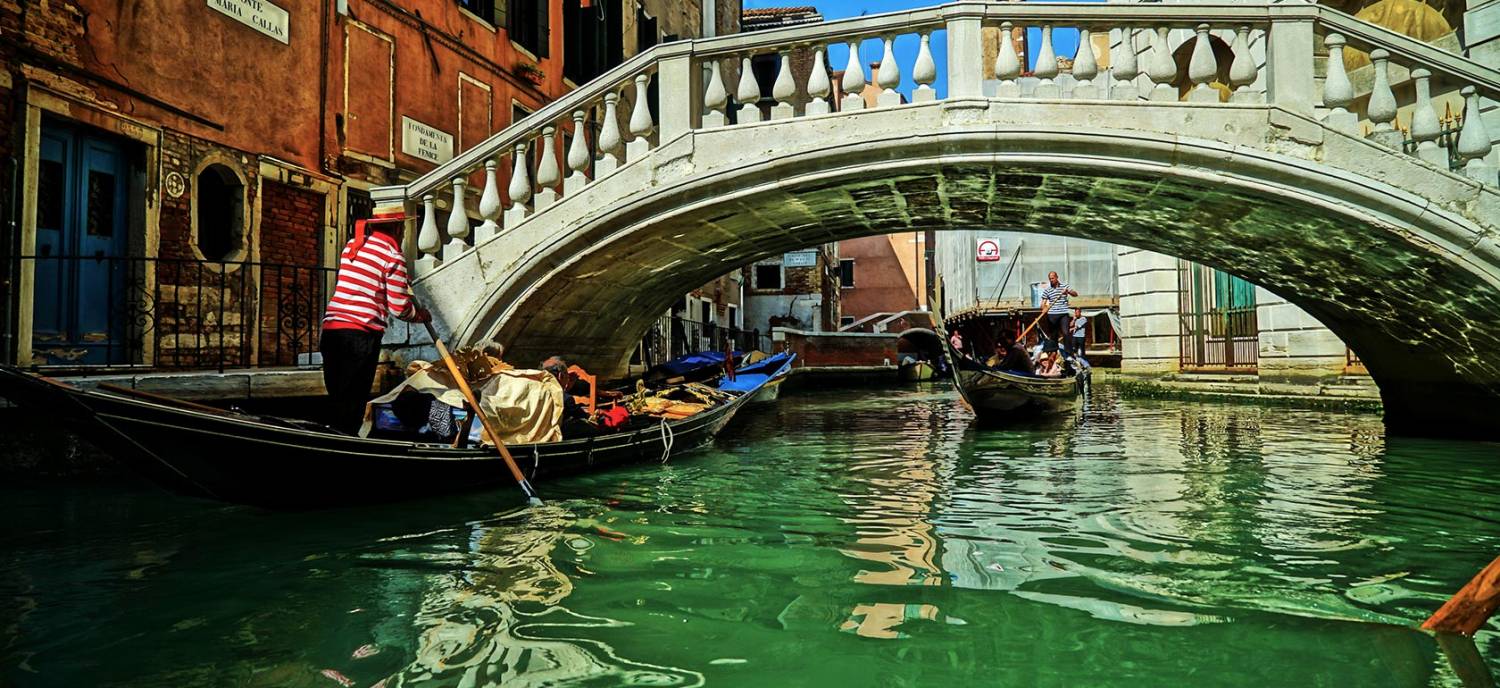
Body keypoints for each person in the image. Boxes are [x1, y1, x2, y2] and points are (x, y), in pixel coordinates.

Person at [320, 205, 430, 433]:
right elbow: (400, 308)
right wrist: (420, 316)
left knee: (338, 399)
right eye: (403, 228)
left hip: (332, 331)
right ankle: (346, 444)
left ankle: (337, 442)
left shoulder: (353, 246)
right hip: (360, 336)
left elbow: (366, 282)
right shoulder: (393, 256)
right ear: (398, 228)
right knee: (353, 403)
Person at [1039, 271, 1079, 358]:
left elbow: (1075, 294)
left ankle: (1069, 354)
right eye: (1050, 279)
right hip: (1052, 314)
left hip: (1063, 313)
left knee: (1066, 333)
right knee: (1054, 335)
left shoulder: (1065, 286)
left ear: (1057, 277)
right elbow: (1042, 304)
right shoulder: (1047, 290)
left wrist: (1068, 292)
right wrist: (1044, 308)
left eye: (1053, 278)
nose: (1051, 280)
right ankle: (1054, 354)